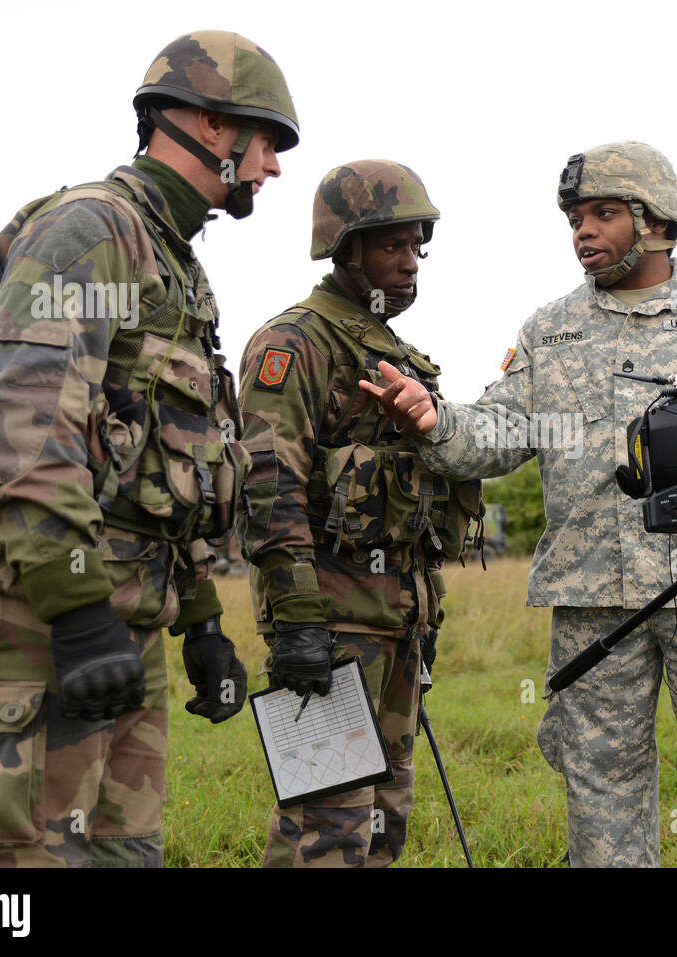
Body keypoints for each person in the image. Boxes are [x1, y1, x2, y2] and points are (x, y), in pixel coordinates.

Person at [362, 141, 677, 867]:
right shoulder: (550, 329)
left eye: (603, 214)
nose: (582, 232)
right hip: (592, 603)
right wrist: (435, 419)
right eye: (573, 218)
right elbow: (499, 431)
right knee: (600, 797)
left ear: (655, 220)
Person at [0, 31, 299, 867]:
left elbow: (173, 459)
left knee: (121, 853)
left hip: (122, 619)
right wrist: (79, 608)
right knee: (10, 865)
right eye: (265, 139)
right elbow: (18, 413)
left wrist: (200, 623)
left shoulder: (178, 268)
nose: (271, 167)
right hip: (29, 610)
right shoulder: (92, 229)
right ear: (205, 120)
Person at [237, 160, 481, 867]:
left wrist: (422, 615)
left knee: (384, 821)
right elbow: (266, 483)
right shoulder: (297, 343)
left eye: (416, 249)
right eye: (390, 248)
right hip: (331, 624)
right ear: (345, 250)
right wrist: (299, 623)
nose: (409, 266)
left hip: (397, 621)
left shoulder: (396, 354)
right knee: (325, 825)